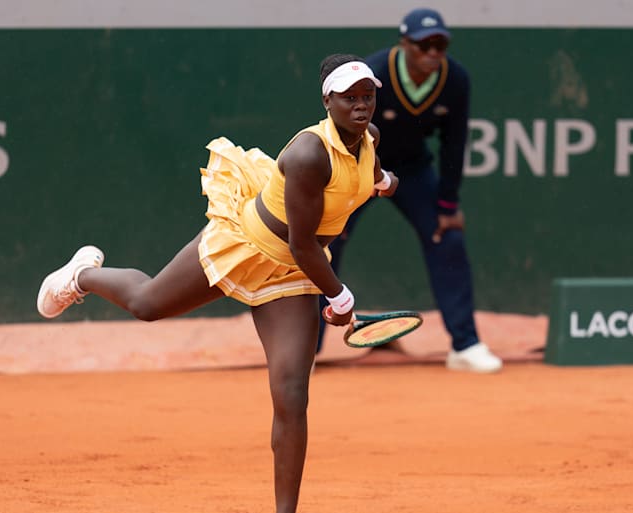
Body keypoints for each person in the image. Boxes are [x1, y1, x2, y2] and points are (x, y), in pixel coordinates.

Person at [35, 54, 398, 513]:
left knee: (291, 394)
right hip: (250, 243)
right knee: (147, 305)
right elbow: (304, 244)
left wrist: (383, 181)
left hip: (290, 277)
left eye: (367, 96)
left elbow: (367, 170)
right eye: (349, 98)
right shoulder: (309, 155)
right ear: (328, 101)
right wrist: (339, 296)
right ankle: (82, 275)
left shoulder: (369, 139)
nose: (361, 106)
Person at [318, 8, 502, 373]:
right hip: (357, 166)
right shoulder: (374, 74)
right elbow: (340, 129)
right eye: (423, 44)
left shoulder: (456, 79)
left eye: (440, 44)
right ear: (404, 44)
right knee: (324, 245)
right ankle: (306, 347)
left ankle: (465, 345)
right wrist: (359, 178)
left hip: (414, 170)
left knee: (446, 236)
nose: (433, 52)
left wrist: (448, 203)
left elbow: (454, 143)